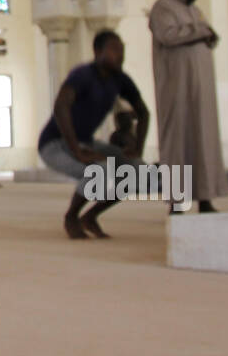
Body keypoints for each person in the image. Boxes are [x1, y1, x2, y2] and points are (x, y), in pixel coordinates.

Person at [38, 31, 151, 239]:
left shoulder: (120, 80)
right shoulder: (83, 75)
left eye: (122, 50)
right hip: (55, 144)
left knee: (136, 171)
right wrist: (77, 151)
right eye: (114, 50)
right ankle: (71, 216)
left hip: (86, 142)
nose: (120, 55)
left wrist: (137, 150)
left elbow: (143, 113)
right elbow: (61, 106)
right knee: (97, 170)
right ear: (98, 51)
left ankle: (90, 217)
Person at [149, 0, 228, 213]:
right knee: (178, 142)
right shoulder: (163, 7)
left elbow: (205, 34)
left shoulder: (195, 10)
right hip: (176, 90)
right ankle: (177, 201)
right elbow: (167, 35)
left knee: (204, 140)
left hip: (200, 91)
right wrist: (199, 32)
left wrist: (207, 34)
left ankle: (205, 198)